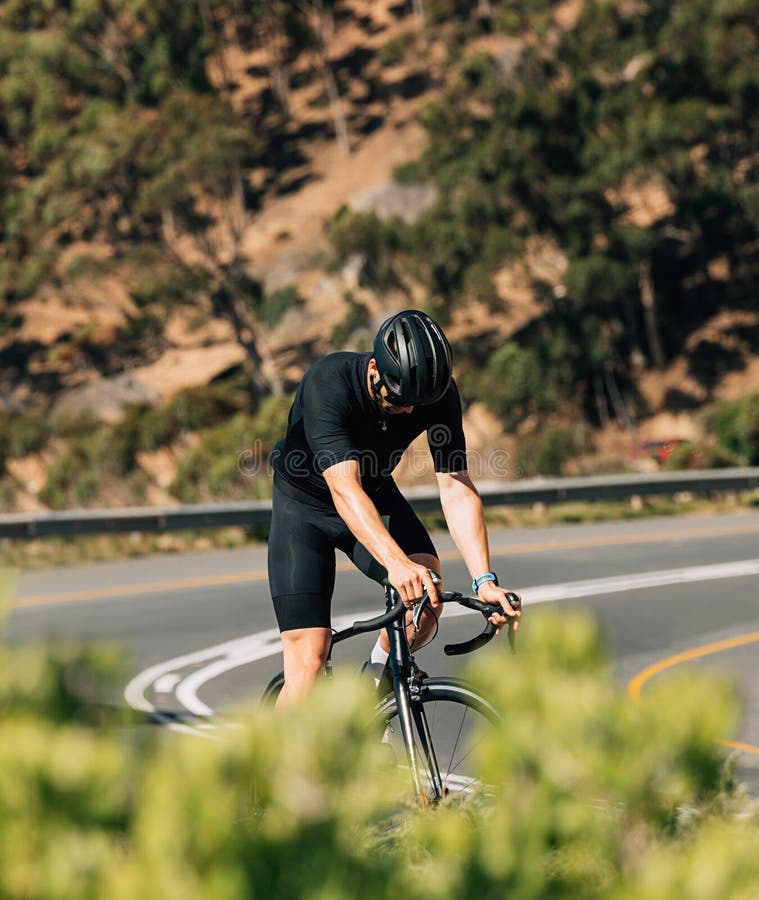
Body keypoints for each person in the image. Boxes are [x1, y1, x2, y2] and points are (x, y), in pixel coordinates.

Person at [268, 308, 522, 707]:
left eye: (418, 405)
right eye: (400, 401)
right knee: (309, 660)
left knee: (427, 596)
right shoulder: (329, 383)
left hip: (374, 492)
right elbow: (344, 489)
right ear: (374, 370)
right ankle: (264, 768)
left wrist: (483, 580)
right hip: (305, 509)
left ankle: (375, 684)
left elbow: (455, 485)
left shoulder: (436, 396)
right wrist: (395, 562)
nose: (409, 412)